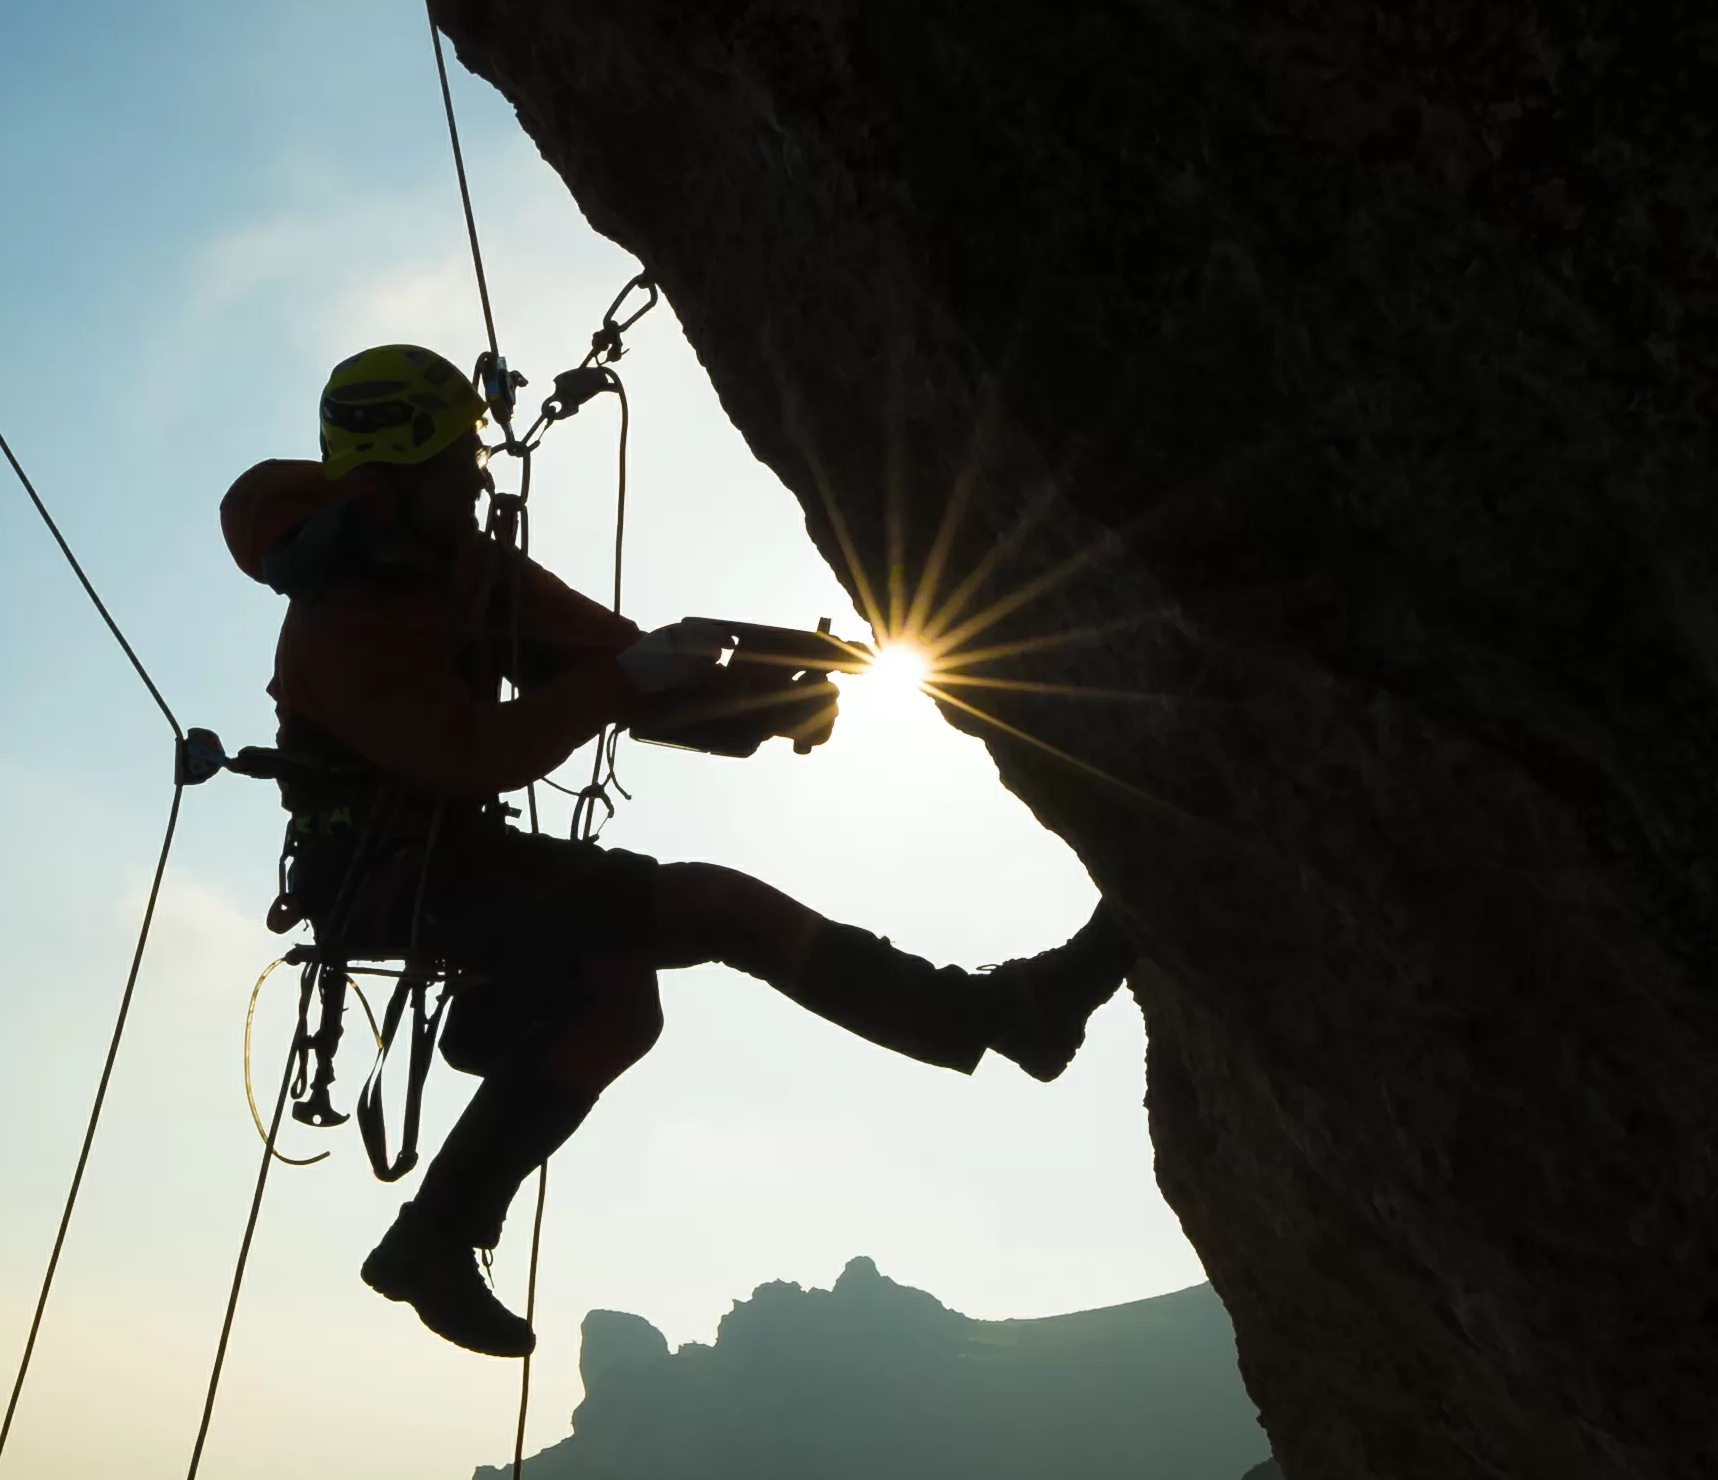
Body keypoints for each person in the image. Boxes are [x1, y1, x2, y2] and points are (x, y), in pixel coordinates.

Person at [226, 340, 1129, 1359]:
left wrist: (754, 701)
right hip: (386, 877)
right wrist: (642, 680)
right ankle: (999, 1014)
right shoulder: (341, 617)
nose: (477, 479)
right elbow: (473, 752)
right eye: (456, 462)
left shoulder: (461, 570)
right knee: (715, 912)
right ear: (395, 473)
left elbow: (610, 659)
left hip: (456, 865)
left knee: (623, 1002)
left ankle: (439, 1218)